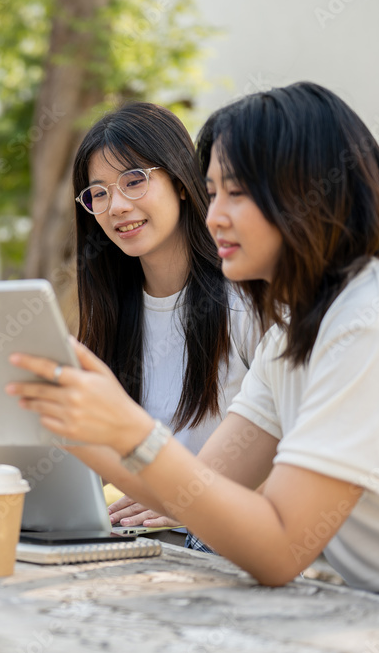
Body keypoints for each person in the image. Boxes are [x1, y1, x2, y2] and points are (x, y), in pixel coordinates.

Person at [8, 82, 379, 605]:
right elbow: (191, 489)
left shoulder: (374, 323)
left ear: (309, 193)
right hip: (370, 601)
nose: (213, 216)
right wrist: (70, 423)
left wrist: (129, 427)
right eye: (212, 193)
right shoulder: (294, 332)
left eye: (236, 192)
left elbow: (280, 547)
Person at [71, 102, 260, 532]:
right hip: (145, 543)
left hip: (229, 543)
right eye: (98, 192)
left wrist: (189, 501)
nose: (115, 205)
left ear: (179, 181)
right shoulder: (111, 310)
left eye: (133, 181)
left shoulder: (246, 302)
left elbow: (290, 449)